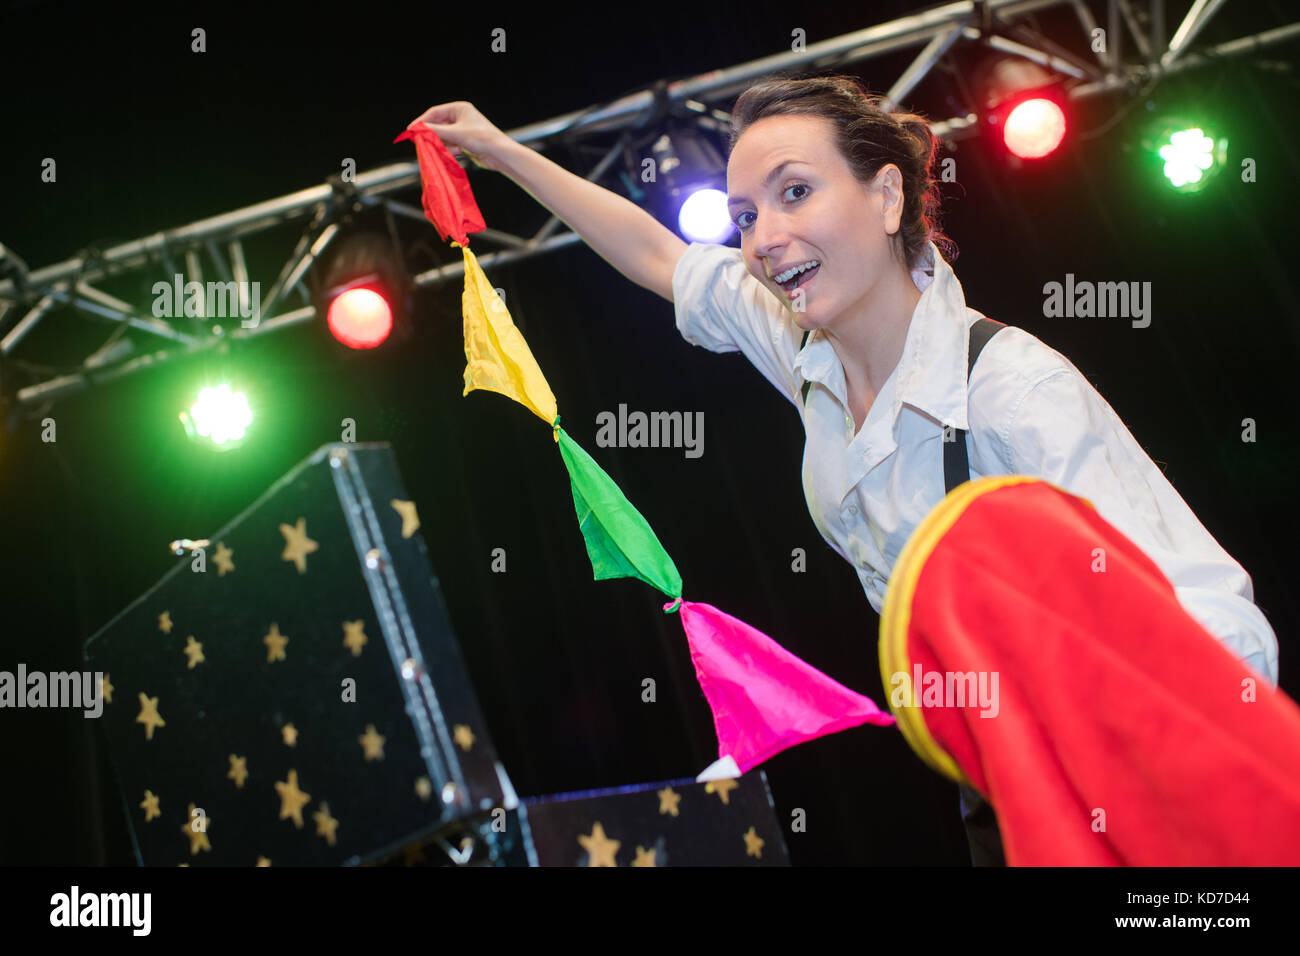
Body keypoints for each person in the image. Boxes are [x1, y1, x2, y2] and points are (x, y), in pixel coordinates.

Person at [409, 73, 1280, 862]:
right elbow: (660, 258)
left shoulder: (1011, 388)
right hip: (992, 779)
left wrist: (1198, 802)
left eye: (796, 192)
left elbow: (1209, 610)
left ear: (888, 196)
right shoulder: (798, 341)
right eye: (746, 215)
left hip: (1113, 779)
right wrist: (500, 151)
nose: (765, 237)